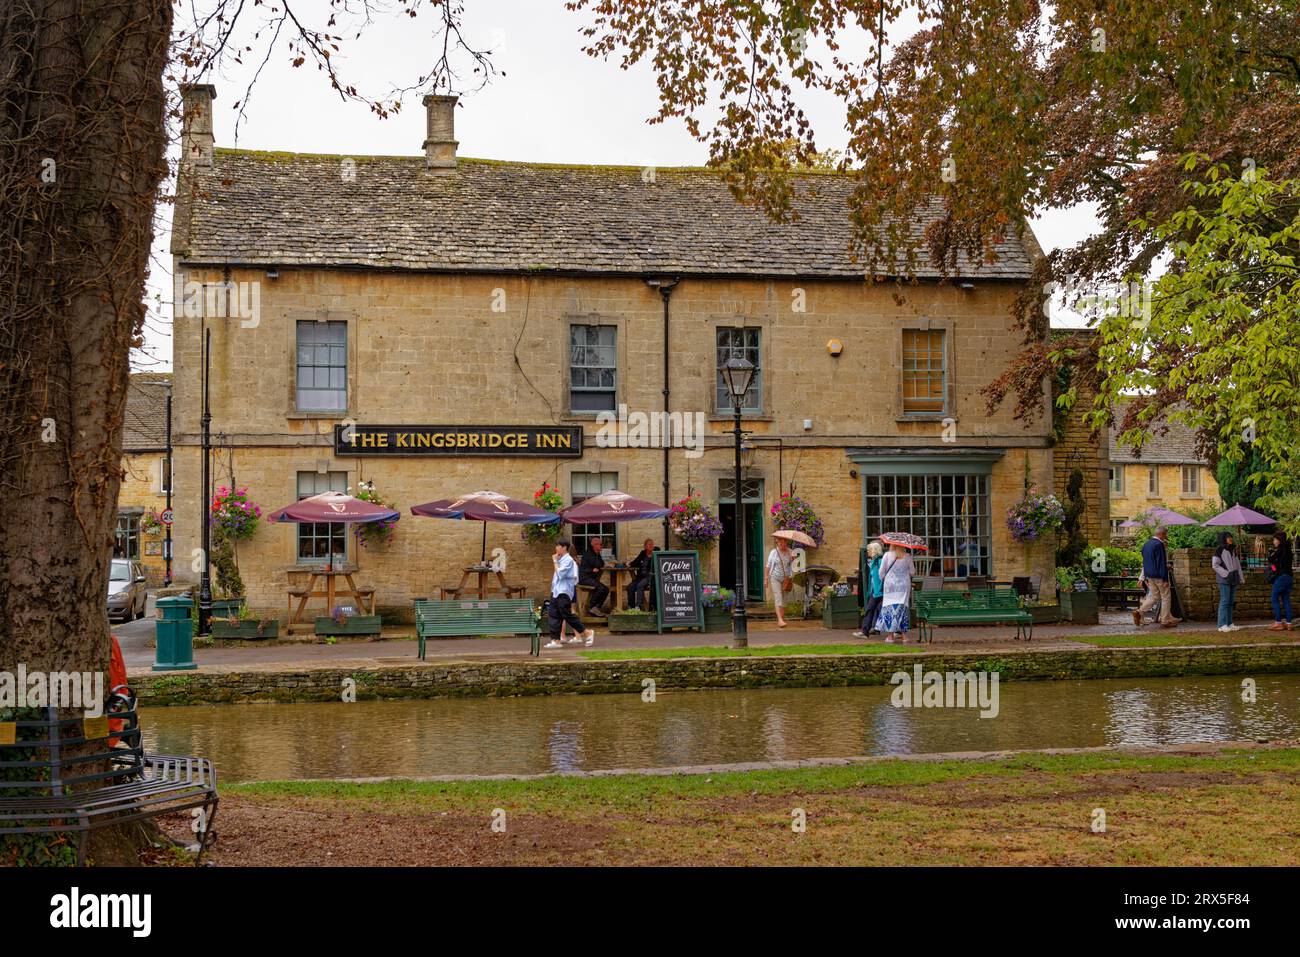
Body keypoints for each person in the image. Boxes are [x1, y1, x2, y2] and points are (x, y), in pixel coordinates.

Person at [545, 539, 594, 649]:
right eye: (556, 546)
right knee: (553, 614)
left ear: (564, 548)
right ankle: (556, 640)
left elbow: (560, 574)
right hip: (556, 592)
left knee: (566, 614)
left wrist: (554, 561)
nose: (556, 548)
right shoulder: (561, 559)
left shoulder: (568, 560)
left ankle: (587, 633)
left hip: (564, 592)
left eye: (558, 546)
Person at [1135, 526, 1180, 628]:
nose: (1166, 536)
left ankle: (1140, 611)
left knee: (1155, 596)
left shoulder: (1146, 544)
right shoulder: (1159, 544)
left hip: (1149, 576)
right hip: (1159, 575)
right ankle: (1165, 620)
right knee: (1166, 597)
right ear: (1161, 534)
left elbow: (1145, 562)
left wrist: (1142, 577)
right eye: (1165, 534)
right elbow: (1161, 563)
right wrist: (1165, 578)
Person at [876, 543, 915, 643]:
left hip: (890, 586)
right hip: (904, 587)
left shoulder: (887, 555)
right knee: (902, 609)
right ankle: (904, 636)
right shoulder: (907, 556)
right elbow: (912, 572)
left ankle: (890, 637)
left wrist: (884, 578)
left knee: (890, 608)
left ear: (892, 545)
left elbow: (881, 572)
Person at [1211, 531, 1243, 633]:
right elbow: (1215, 565)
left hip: (1233, 578)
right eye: (1228, 537)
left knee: (1230, 602)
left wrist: (1240, 577)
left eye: (1231, 537)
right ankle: (1221, 624)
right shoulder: (1219, 550)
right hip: (1224, 578)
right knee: (1225, 601)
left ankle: (1229, 623)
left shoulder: (1233, 550)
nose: (1230, 539)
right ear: (1223, 538)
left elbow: (1237, 564)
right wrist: (1226, 573)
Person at [853, 541, 884, 638]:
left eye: (869, 550)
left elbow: (883, 576)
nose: (868, 552)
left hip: (880, 591)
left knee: (878, 610)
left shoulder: (880, 561)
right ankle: (867, 631)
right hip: (875, 591)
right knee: (872, 610)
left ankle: (897, 631)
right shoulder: (874, 561)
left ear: (874, 550)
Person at [766, 535, 795, 628]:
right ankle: (780, 619)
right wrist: (766, 578)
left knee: (785, 599)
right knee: (778, 596)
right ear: (777, 543)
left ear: (786, 542)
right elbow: (768, 566)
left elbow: (794, 566)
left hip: (786, 579)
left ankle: (780, 619)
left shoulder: (790, 552)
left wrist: (794, 559)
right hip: (775, 577)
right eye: (780, 542)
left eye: (784, 542)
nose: (782, 544)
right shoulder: (774, 552)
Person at [1268, 531, 1293, 631]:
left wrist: (1271, 553)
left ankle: (1278, 622)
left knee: (1274, 598)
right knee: (1286, 599)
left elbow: (1270, 559)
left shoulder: (1279, 550)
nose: (1274, 541)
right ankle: (1289, 623)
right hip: (1289, 577)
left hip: (1281, 577)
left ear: (1279, 540)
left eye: (1275, 539)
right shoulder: (1289, 551)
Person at [578, 536, 610, 616]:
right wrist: (594, 568)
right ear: (594, 545)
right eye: (600, 544)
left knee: (606, 589)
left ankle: (597, 608)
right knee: (602, 588)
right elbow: (598, 564)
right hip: (584, 578)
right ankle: (591, 607)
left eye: (601, 544)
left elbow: (600, 563)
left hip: (591, 578)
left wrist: (597, 567)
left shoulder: (597, 553)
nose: (601, 546)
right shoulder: (588, 553)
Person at [627, 538, 657, 610]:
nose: (651, 546)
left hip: (650, 577)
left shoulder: (655, 554)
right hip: (640, 577)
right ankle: (631, 607)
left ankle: (638, 606)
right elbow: (636, 562)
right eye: (649, 544)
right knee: (630, 587)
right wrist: (629, 564)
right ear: (645, 546)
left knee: (640, 585)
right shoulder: (643, 553)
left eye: (652, 544)